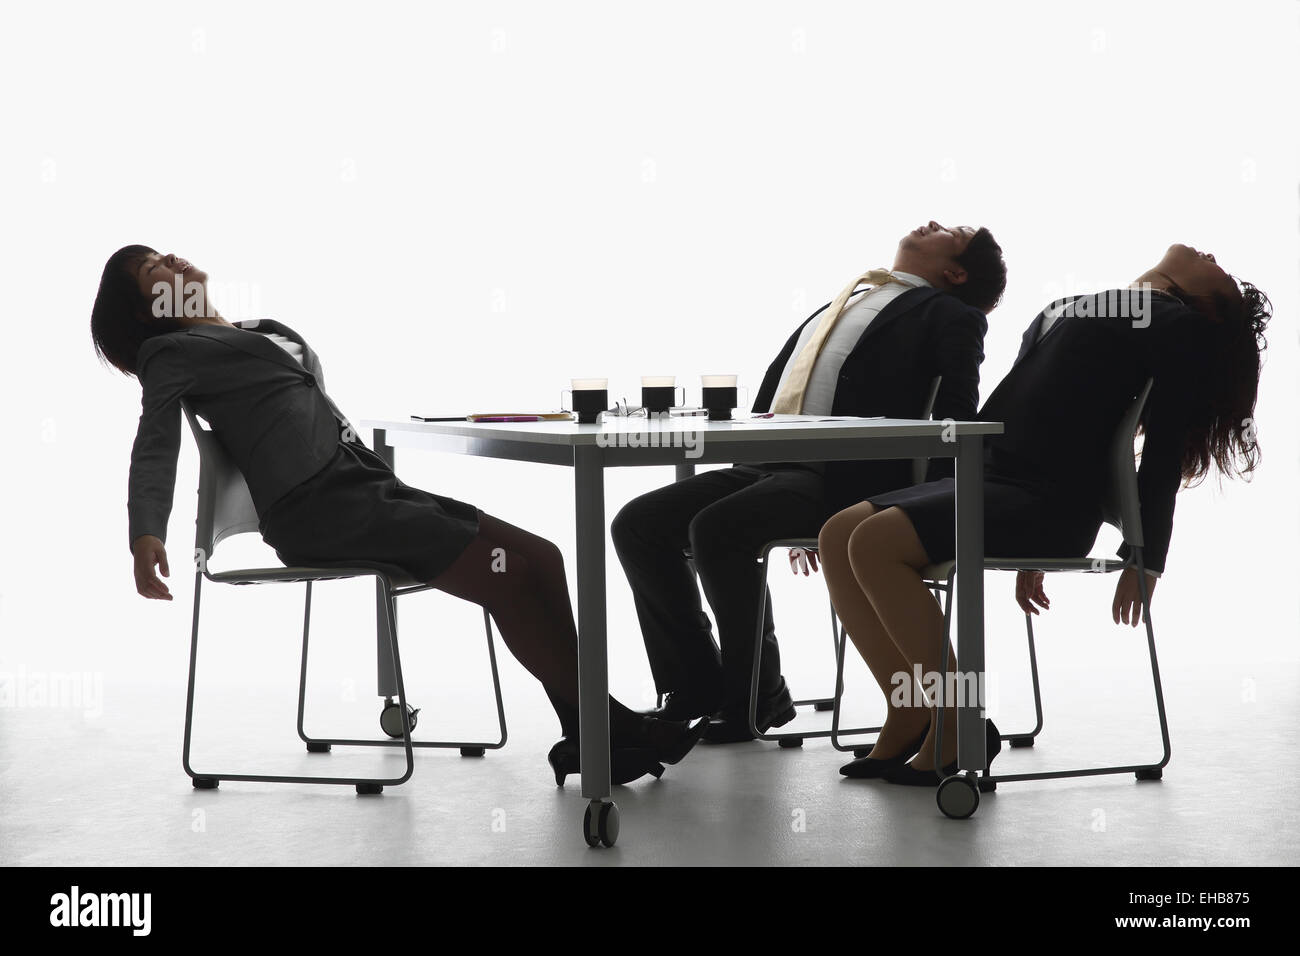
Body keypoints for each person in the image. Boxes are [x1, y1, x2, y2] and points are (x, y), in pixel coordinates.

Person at [92, 244, 707, 786]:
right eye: (151, 268)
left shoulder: (262, 328)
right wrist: (145, 531)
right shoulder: (171, 352)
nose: (170, 259)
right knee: (509, 578)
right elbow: (155, 443)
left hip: (367, 487)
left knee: (542, 557)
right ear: (147, 311)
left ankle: (589, 731)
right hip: (320, 510)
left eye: (163, 252)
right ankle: (611, 728)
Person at [818, 243, 1270, 784]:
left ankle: (959, 721)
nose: (1209, 253)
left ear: (1210, 306)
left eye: (1219, 269)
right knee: (837, 533)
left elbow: (1164, 447)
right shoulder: (1077, 305)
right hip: (996, 484)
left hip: (1051, 501)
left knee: (874, 544)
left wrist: (1146, 556)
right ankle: (910, 710)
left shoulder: (1176, 323)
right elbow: (1024, 408)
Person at [611, 222, 1008, 743]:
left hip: (845, 479)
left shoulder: (950, 314)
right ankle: (694, 689)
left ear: (955, 273)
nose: (934, 223)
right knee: (639, 524)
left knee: (718, 527)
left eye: (953, 233)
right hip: (771, 465)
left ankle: (756, 693)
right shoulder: (849, 299)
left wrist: (917, 511)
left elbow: (956, 420)